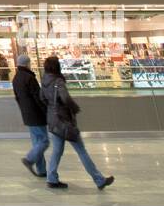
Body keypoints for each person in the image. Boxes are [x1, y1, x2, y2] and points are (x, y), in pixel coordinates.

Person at [41, 55, 114, 190]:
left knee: (57, 151)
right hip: (64, 121)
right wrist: (74, 108)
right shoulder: (58, 81)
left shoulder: (44, 80)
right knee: (81, 150)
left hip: (53, 120)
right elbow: (66, 98)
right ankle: (99, 180)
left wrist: (52, 108)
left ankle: (51, 178)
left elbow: (42, 98)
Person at [12, 54, 48, 178]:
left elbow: (17, 97)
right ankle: (29, 159)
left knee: (37, 142)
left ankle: (41, 169)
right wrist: (45, 110)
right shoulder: (29, 78)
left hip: (27, 114)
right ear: (28, 64)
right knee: (44, 141)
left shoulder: (16, 78)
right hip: (36, 114)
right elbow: (38, 97)